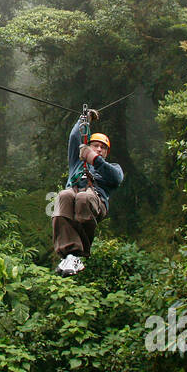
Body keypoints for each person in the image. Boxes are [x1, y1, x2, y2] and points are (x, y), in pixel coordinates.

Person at [51, 108, 124, 275]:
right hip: (74, 194)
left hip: (95, 201)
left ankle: (78, 253)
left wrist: (94, 160)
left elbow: (117, 178)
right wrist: (85, 119)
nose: (98, 149)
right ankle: (68, 254)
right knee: (64, 195)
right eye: (95, 146)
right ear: (88, 146)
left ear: (106, 153)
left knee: (84, 197)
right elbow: (74, 137)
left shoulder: (111, 168)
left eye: (102, 148)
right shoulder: (77, 162)